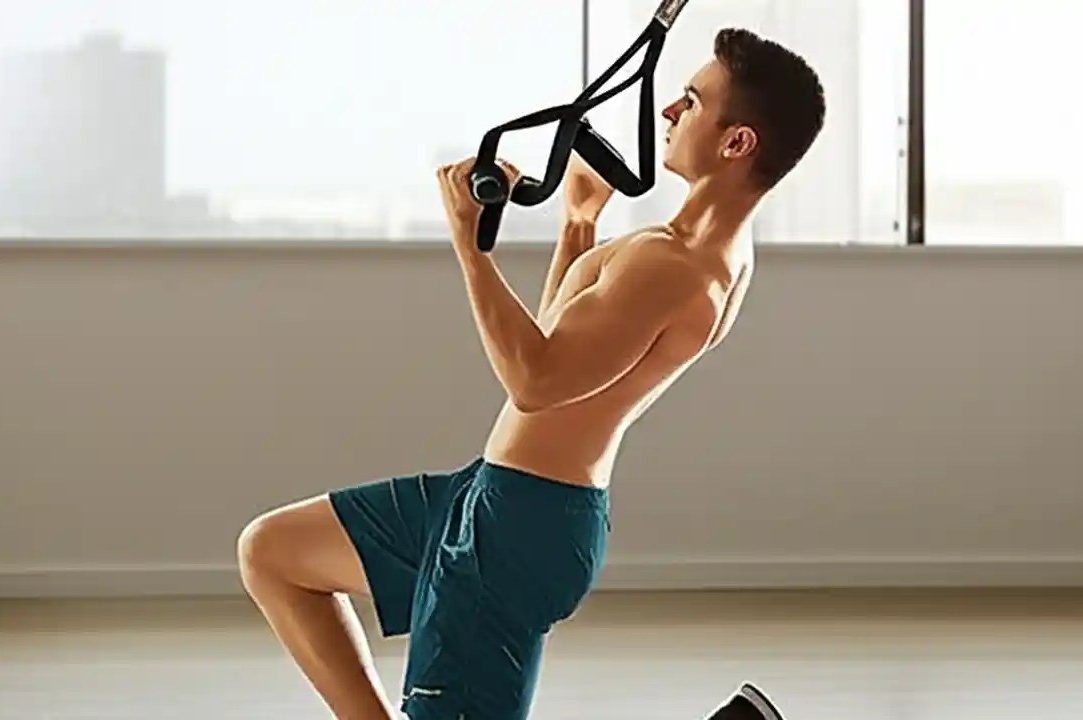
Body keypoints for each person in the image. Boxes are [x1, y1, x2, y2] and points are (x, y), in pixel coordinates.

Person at [237, 27, 825, 720]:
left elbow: (534, 382)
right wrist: (578, 223)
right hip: (493, 496)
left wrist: (469, 245)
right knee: (273, 552)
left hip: (520, 524)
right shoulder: (708, 251)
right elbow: (560, 345)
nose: (669, 111)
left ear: (737, 143)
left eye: (691, 102)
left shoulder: (674, 268)